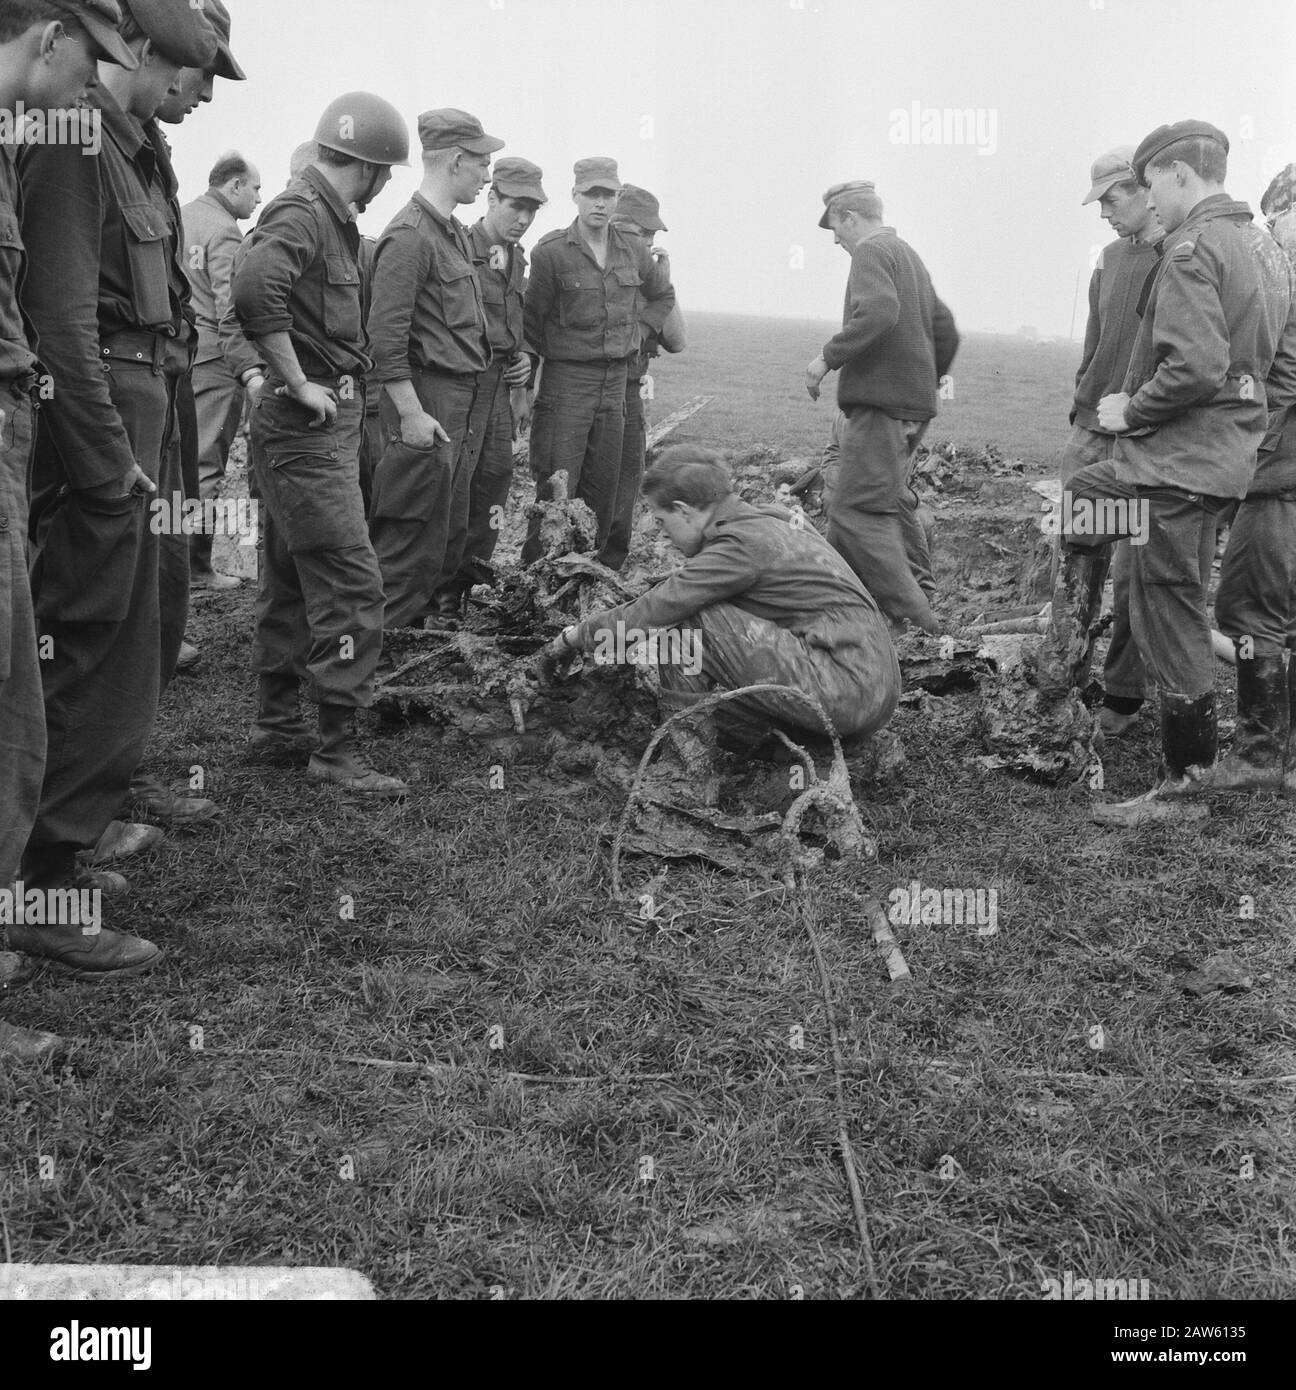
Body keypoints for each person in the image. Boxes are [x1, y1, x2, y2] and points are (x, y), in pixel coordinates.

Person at [15, 0, 217, 978]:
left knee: (122, 633)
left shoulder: (128, 148)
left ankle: (63, 845)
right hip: (98, 421)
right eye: (185, 64)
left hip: (135, 401)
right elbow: (57, 317)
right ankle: (38, 881)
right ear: (138, 52)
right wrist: (102, 465)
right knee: (83, 636)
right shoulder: (70, 141)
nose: (196, 87)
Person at [1038, 121, 1291, 827]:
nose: (1147, 202)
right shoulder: (1263, 251)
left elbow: (1196, 367)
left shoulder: (1189, 250)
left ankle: (1186, 783)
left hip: (1175, 466)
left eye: (1149, 185)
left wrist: (1128, 412)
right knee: (1082, 500)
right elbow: (1264, 369)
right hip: (1219, 463)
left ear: (1179, 174)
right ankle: (1065, 638)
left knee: (1167, 610)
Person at [0, 0, 140, 1051]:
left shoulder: (25, 133)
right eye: (92, 58)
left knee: (21, 700)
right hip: (35, 422)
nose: (97, 83)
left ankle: (30, 896)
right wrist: (102, 464)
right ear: (50, 36)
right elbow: (59, 318)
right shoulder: (45, 136)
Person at [542, 447, 900, 802]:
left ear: (683, 511)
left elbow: (656, 611)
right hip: (874, 693)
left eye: (661, 520)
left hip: (847, 690)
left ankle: (687, 775)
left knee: (689, 621)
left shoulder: (737, 544)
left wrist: (573, 639)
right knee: (707, 710)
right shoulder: (769, 518)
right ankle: (815, 754)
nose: (659, 531)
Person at [233, 92, 411, 796]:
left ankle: (278, 725)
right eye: (385, 172)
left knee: (289, 572)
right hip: (305, 429)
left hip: (308, 430)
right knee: (352, 580)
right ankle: (336, 751)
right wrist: (297, 380)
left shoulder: (328, 220)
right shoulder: (303, 211)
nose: (386, 184)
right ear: (365, 167)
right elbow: (251, 292)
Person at [366, 108, 501, 632]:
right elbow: (385, 340)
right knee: (406, 541)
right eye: (482, 163)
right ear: (455, 161)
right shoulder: (409, 236)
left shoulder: (452, 235)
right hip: (425, 403)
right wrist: (412, 414)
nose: (487, 175)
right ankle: (357, 674)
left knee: (437, 541)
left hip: (455, 403)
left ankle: (400, 653)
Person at [807, 181, 959, 634]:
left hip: (879, 411)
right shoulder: (907, 255)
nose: (835, 240)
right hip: (911, 410)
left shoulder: (871, 253)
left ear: (849, 217)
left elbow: (878, 312)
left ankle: (924, 631)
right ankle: (832, 609)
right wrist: (919, 388)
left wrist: (825, 359)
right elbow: (946, 330)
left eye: (835, 228)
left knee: (855, 516)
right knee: (872, 507)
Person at [522, 157, 676, 564]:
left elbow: (663, 297)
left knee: (604, 491)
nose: (600, 202)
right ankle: (538, 580)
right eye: (592, 193)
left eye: (608, 194)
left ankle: (593, 580)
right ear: (575, 195)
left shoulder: (634, 251)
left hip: (615, 386)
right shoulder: (552, 253)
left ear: (617, 197)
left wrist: (639, 333)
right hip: (566, 385)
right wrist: (523, 390)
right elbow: (530, 329)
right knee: (557, 488)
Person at [1065, 147, 1163, 737]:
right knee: (1076, 559)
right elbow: (1094, 342)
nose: (1104, 211)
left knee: (1133, 576)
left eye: (1111, 198)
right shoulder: (1106, 258)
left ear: (1145, 188)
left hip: (1139, 442)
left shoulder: (1179, 254)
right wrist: (1082, 404)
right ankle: (1066, 677)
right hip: (1087, 435)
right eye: (1099, 201)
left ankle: (1123, 698)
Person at [449, 157, 548, 612]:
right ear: (491, 199)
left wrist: (524, 362)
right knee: (455, 488)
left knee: (494, 481)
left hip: (498, 392)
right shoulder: (462, 247)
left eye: (532, 211)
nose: (524, 220)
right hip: (463, 385)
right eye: (515, 207)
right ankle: (435, 598)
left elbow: (515, 318)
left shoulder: (516, 257)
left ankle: (464, 591)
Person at [182, 149, 262, 589]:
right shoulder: (226, 230)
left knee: (180, 463)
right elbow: (230, 307)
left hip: (180, 356)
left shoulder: (182, 216)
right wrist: (248, 365)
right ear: (233, 186)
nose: (257, 200)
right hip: (215, 358)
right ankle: (196, 568)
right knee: (205, 466)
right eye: (254, 189)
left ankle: (179, 567)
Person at [603, 183, 686, 572]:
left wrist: (664, 283)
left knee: (625, 483)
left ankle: (609, 569)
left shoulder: (651, 281)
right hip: (595, 387)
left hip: (631, 391)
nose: (648, 241)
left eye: (652, 235)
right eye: (643, 232)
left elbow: (677, 341)